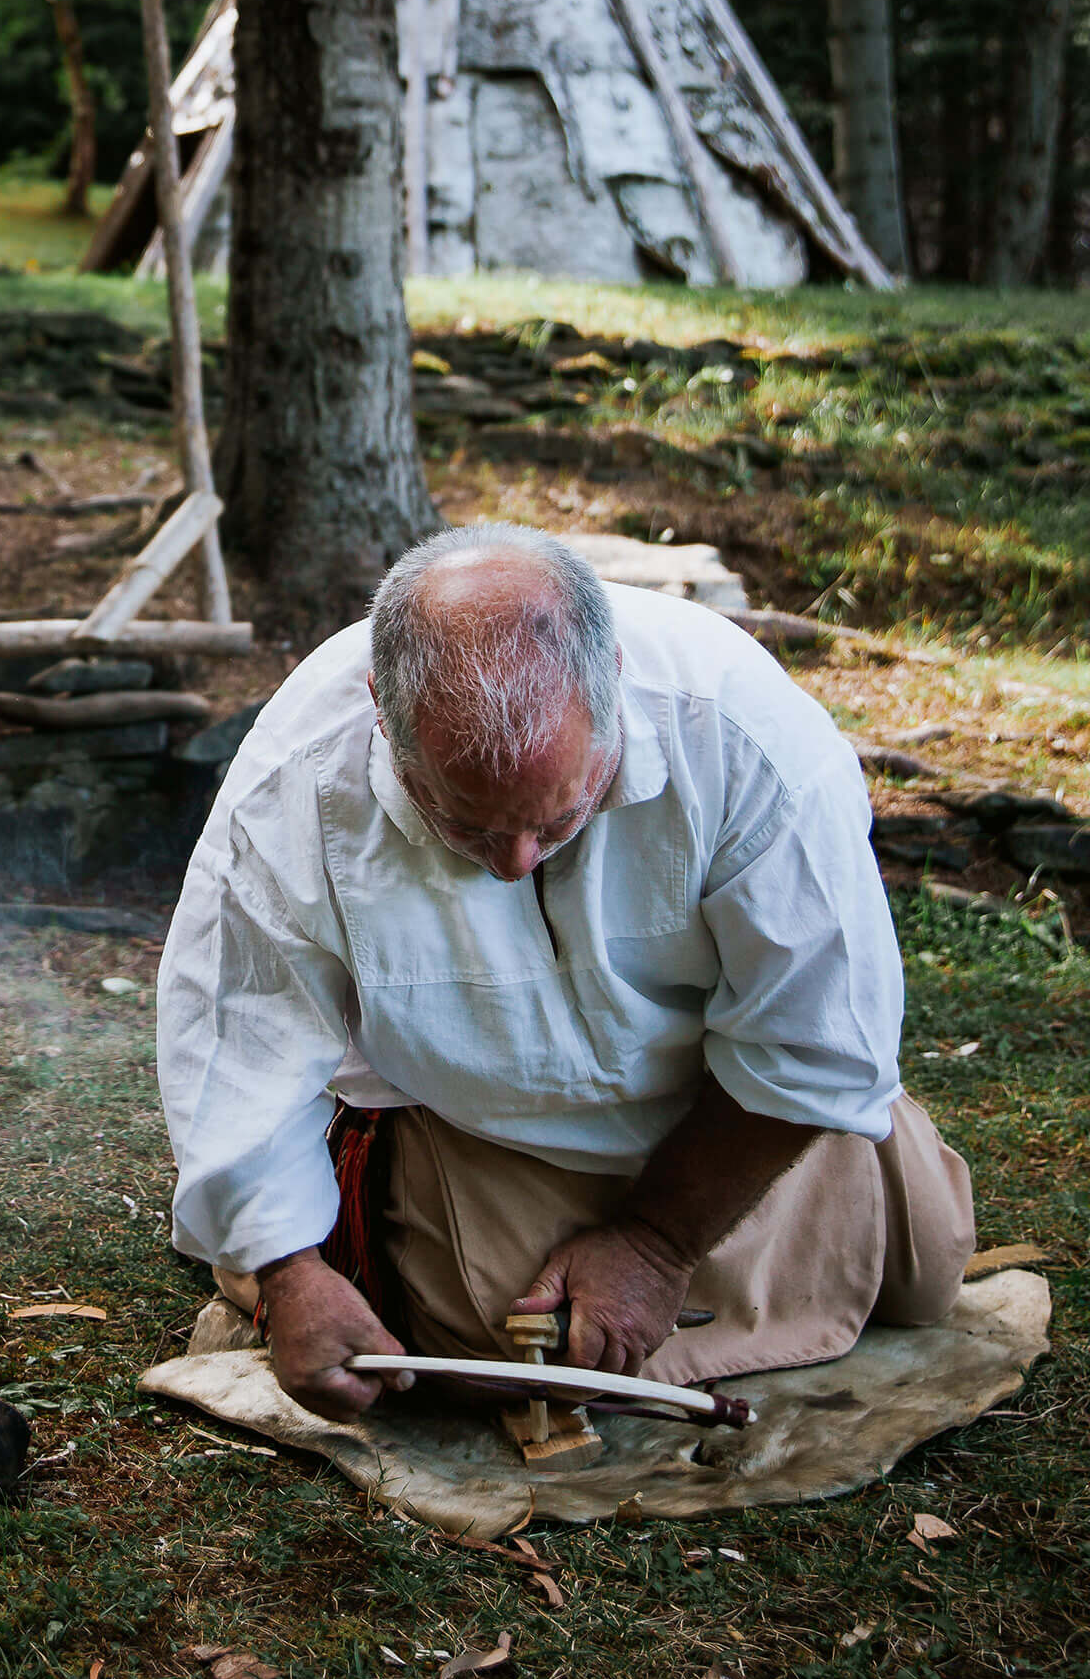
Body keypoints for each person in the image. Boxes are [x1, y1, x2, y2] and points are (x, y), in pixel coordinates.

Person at [156, 523, 973, 1424]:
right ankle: (291, 1244)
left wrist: (657, 1245)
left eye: (558, 817)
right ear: (383, 720)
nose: (512, 863)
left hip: (725, 1106)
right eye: (465, 825)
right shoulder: (299, 776)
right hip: (487, 1124)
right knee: (492, 1347)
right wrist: (287, 1272)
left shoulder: (744, 734)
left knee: (926, 1266)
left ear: (613, 685)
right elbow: (239, 1035)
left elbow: (816, 1031)